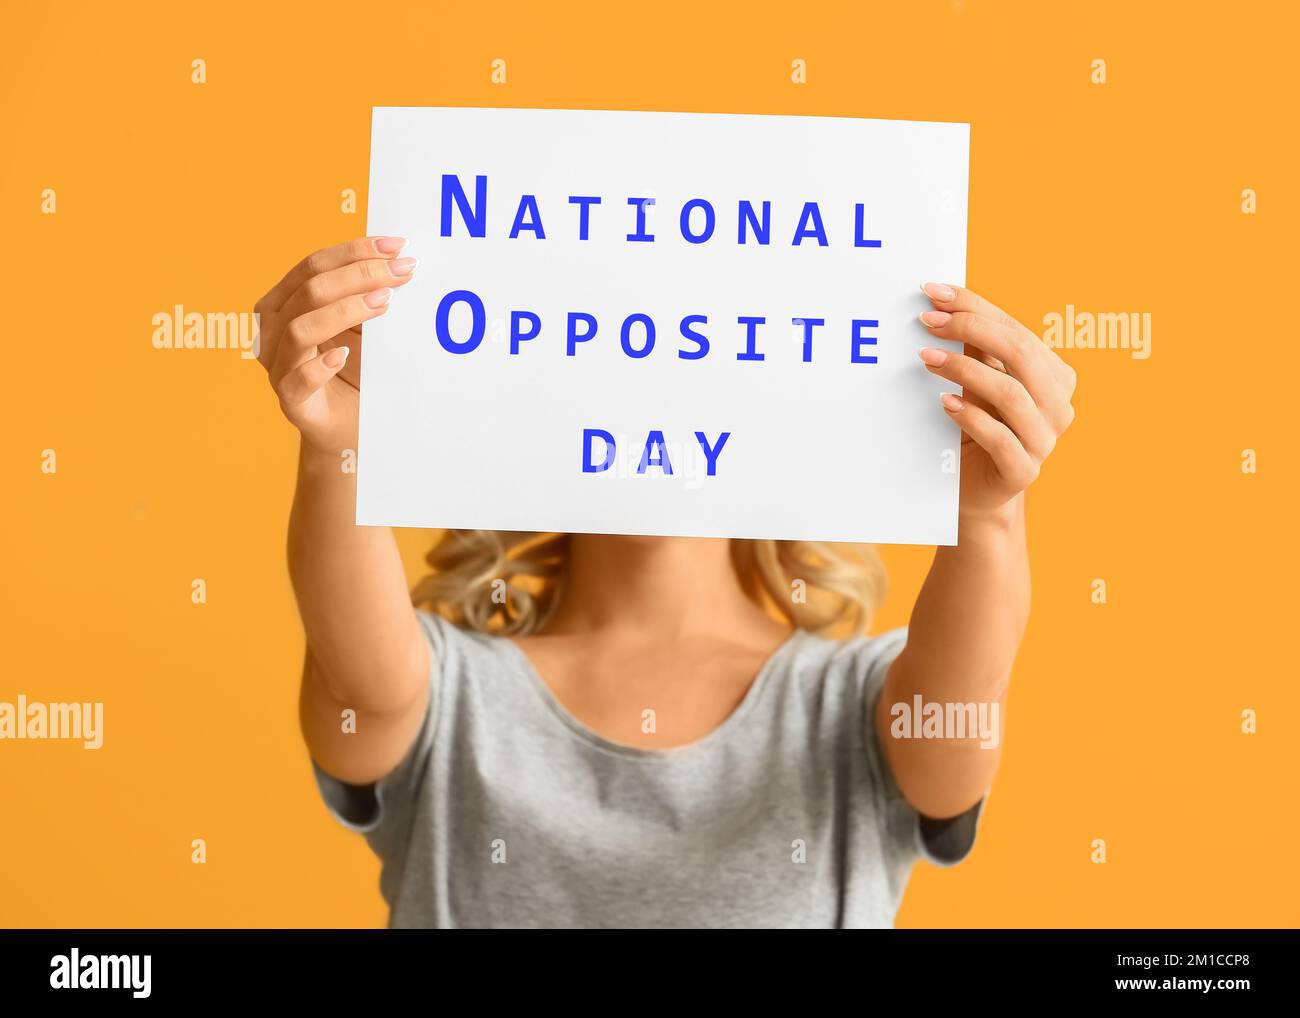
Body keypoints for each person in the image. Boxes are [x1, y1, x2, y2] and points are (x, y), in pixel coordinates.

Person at [255, 236, 1077, 928]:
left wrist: (984, 515)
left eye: (698, 358)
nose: (660, 402)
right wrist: (338, 451)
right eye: (621, 354)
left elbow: (961, 711)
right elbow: (360, 676)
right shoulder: (448, 699)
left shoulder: (852, 710)